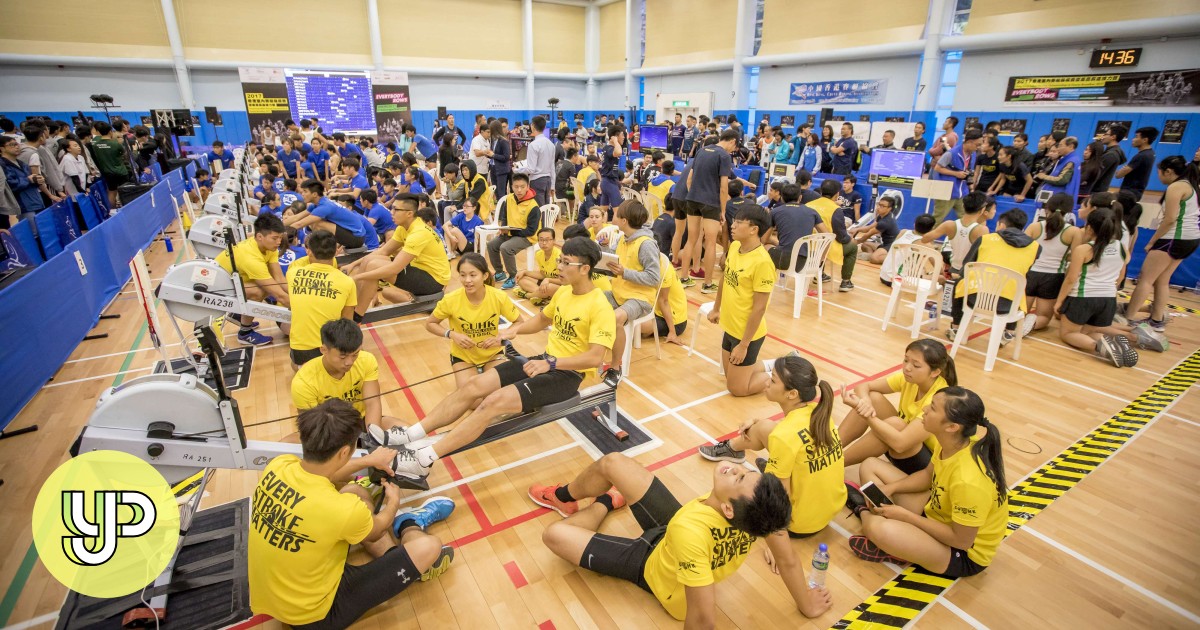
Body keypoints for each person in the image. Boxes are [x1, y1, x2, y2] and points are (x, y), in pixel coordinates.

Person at [374, 237, 616, 485]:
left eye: (565, 262)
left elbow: (596, 357)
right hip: (544, 361)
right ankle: (411, 434)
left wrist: (550, 364)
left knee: (492, 402)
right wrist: (512, 331)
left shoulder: (600, 306)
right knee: (473, 387)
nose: (559, 267)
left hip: (567, 375)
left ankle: (423, 459)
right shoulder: (564, 292)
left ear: (585, 269)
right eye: (560, 260)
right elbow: (542, 320)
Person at [528, 449, 831, 625]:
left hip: (656, 571)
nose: (734, 467)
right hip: (677, 539)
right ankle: (563, 496)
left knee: (553, 534)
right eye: (745, 470)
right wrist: (807, 604)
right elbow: (788, 560)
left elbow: (702, 618)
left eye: (737, 477)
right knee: (613, 462)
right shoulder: (766, 511)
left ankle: (604, 503)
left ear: (728, 508)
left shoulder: (689, 528)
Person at [248, 399, 455, 630]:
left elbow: (325, 474)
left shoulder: (279, 466)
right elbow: (377, 530)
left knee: (354, 490)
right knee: (429, 547)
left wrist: (367, 461)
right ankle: (409, 523)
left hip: (277, 593)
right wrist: (393, 502)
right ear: (345, 451)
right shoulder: (339, 509)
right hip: (315, 617)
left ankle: (393, 553)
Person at [845, 387, 1007, 577]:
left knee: (877, 528)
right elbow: (927, 476)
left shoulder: (969, 481)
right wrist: (891, 488)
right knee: (870, 465)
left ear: (952, 426)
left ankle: (863, 512)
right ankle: (897, 538)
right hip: (936, 511)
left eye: (933, 408)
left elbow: (961, 541)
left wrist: (905, 516)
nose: (924, 409)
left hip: (962, 553)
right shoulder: (951, 442)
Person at [700, 355, 846, 539]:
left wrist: (777, 540)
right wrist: (756, 422)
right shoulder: (819, 415)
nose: (767, 383)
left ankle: (771, 467)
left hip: (800, 524)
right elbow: (789, 435)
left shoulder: (783, 436)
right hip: (831, 509)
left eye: (773, 380)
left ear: (792, 394)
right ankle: (736, 450)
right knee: (763, 427)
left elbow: (777, 498)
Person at [838, 339, 956, 472]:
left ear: (935, 372)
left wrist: (865, 414)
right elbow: (863, 386)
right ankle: (827, 450)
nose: (907, 368)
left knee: (896, 424)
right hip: (906, 447)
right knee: (873, 398)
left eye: (916, 365)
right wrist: (865, 401)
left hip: (929, 466)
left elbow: (900, 444)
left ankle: (833, 464)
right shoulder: (909, 379)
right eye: (906, 360)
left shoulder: (938, 399)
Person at [427, 253, 529, 401]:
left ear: (484, 275)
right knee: (472, 401)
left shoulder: (498, 297)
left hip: (492, 354)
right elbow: (430, 323)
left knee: (499, 397)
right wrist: (451, 334)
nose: (467, 280)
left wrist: (503, 335)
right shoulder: (451, 299)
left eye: (473, 275)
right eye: (463, 275)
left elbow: (519, 322)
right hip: (463, 357)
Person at [1125, 155, 1199, 334]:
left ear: (1168, 171)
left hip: (1173, 238)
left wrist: (1153, 241)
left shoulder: (1177, 186)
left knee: (1145, 279)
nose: (1158, 176)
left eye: (1159, 172)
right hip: (1191, 239)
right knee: (1162, 280)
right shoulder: (1191, 186)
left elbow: (1170, 219)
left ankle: (1127, 319)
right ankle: (1157, 320)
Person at [343, 194, 450, 317]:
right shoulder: (403, 227)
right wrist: (352, 265)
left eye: (396, 209)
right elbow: (382, 251)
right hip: (420, 268)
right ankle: (352, 306)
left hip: (434, 281)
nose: (391, 213)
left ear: (409, 213)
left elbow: (394, 268)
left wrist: (356, 277)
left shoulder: (419, 233)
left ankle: (356, 318)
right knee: (371, 261)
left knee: (373, 265)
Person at [945, 209, 1039, 345]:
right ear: (1022, 227)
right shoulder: (1036, 247)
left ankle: (956, 328)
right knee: (1018, 287)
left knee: (960, 281)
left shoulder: (985, 239)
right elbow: (1025, 271)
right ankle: (1008, 332)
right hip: (1007, 305)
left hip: (975, 298)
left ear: (1001, 225)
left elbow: (967, 265)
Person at [709, 206, 775, 397]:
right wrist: (716, 308)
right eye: (734, 221)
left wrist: (744, 345)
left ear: (754, 229)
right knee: (729, 375)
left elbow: (759, 308)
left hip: (747, 334)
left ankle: (781, 374)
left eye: (739, 222)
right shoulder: (736, 246)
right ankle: (774, 363)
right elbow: (725, 278)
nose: (733, 225)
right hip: (730, 327)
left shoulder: (763, 262)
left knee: (737, 389)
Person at [604, 200, 662, 379]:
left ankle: (615, 366)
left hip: (640, 298)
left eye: (616, 213)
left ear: (624, 221)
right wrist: (604, 248)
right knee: (588, 301)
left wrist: (625, 272)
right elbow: (612, 259)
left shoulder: (645, 244)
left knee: (616, 318)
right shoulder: (623, 238)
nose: (613, 215)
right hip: (618, 293)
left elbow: (654, 278)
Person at [216, 213, 290, 346]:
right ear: (260, 236)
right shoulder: (251, 258)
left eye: (280, 237)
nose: (279, 242)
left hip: (235, 280)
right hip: (219, 286)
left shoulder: (269, 246)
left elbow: (279, 278)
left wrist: (296, 295)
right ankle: (245, 333)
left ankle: (238, 315)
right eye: (275, 238)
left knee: (267, 285)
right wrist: (304, 307)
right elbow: (279, 295)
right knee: (258, 292)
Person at [286, 230, 357, 366]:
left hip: (301, 350)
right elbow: (348, 322)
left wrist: (312, 253)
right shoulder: (347, 282)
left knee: (294, 365)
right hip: (332, 349)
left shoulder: (293, 273)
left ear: (309, 251)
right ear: (337, 251)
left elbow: (302, 263)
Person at [682, 130, 738, 293]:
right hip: (711, 202)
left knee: (691, 240)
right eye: (734, 147)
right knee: (711, 242)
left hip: (692, 199)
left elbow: (690, 179)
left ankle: (684, 278)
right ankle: (707, 284)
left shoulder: (701, 150)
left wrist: (694, 193)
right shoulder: (724, 156)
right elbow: (723, 187)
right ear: (732, 141)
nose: (732, 151)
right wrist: (722, 210)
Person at [1022, 199, 1079, 333]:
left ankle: (1018, 325)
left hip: (1031, 273)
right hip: (1054, 277)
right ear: (1069, 212)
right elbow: (1076, 257)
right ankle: (1032, 322)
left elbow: (1023, 249)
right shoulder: (1074, 231)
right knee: (1044, 317)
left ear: (1047, 208)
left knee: (1020, 312)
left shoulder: (1034, 226)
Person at [920, 190, 993, 277]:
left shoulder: (949, 224)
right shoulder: (982, 230)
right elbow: (986, 255)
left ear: (963, 206)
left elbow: (924, 239)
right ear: (982, 210)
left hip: (954, 268)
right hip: (970, 273)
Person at [488, 173, 542, 289]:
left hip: (527, 237)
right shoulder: (509, 199)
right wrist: (503, 228)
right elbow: (504, 217)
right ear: (511, 187)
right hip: (510, 233)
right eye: (516, 186)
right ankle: (499, 273)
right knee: (492, 244)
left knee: (506, 248)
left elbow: (531, 231)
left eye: (522, 187)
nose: (519, 190)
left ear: (528, 186)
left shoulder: (533, 206)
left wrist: (511, 232)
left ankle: (513, 276)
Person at [285, 180, 368, 250]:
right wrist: (277, 225)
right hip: (350, 232)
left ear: (314, 194)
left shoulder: (325, 206)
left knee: (317, 223)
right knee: (313, 221)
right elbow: (296, 217)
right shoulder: (316, 204)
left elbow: (299, 224)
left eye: (305, 191)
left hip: (357, 238)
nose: (302, 194)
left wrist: (281, 234)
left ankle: (322, 250)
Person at [808, 179, 859, 292]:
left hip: (805, 246)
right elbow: (841, 236)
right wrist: (849, 238)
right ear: (837, 194)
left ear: (821, 192)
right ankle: (846, 282)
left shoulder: (808, 205)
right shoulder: (836, 209)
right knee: (852, 247)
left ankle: (819, 275)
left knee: (821, 240)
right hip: (823, 248)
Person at [765, 183, 828, 272]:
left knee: (765, 247)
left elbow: (763, 239)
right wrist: (821, 258)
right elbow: (827, 235)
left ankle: (767, 281)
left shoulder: (775, 211)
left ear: (782, 198)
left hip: (784, 260)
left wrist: (773, 241)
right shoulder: (812, 212)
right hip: (806, 262)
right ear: (800, 197)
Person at [931, 128, 982, 223]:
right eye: (977, 144)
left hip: (962, 193)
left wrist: (971, 187)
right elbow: (938, 168)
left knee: (966, 219)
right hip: (946, 192)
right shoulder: (951, 153)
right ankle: (926, 237)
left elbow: (969, 170)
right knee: (937, 219)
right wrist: (955, 174)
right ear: (970, 142)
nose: (979, 147)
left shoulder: (973, 155)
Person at [880, 214, 938, 287]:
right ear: (931, 229)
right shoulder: (924, 243)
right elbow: (939, 267)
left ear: (914, 224)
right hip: (897, 280)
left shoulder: (903, 232)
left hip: (883, 275)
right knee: (940, 278)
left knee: (921, 267)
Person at [516, 228, 563, 305]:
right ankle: (541, 295)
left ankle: (528, 295)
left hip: (559, 285)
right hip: (546, 283)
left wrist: (548, 280)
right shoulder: (539, 254)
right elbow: (542, 274)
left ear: (554, 241)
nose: (544, 243)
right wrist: (525, 272)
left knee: (549, 287)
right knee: (521, 279)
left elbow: (565, 281)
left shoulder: (560, 256)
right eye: (541, 240)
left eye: (547, 240)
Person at [851, 194, 900, 264]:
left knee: (874, 259)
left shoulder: (885, 222)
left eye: (882, 206)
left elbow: (869, 234)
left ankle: (896, 258)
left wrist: (856, 242)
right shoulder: (882, 215)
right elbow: (869, 228)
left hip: (891, 246)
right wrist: (857, 229)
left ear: (890, 208)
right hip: (885, 244)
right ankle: (872, 255)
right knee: (865, 245)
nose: (878, 207)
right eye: (879, 204)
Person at [598, 125, 625, 207]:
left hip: (606, 182)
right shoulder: (610, 148)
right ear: (615, 137)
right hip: (610, 182)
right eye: (622, 135)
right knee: (618, 212)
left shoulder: (606, 148)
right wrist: (616, 141)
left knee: (603, 210)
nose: (624, 137)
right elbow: (619, 152)